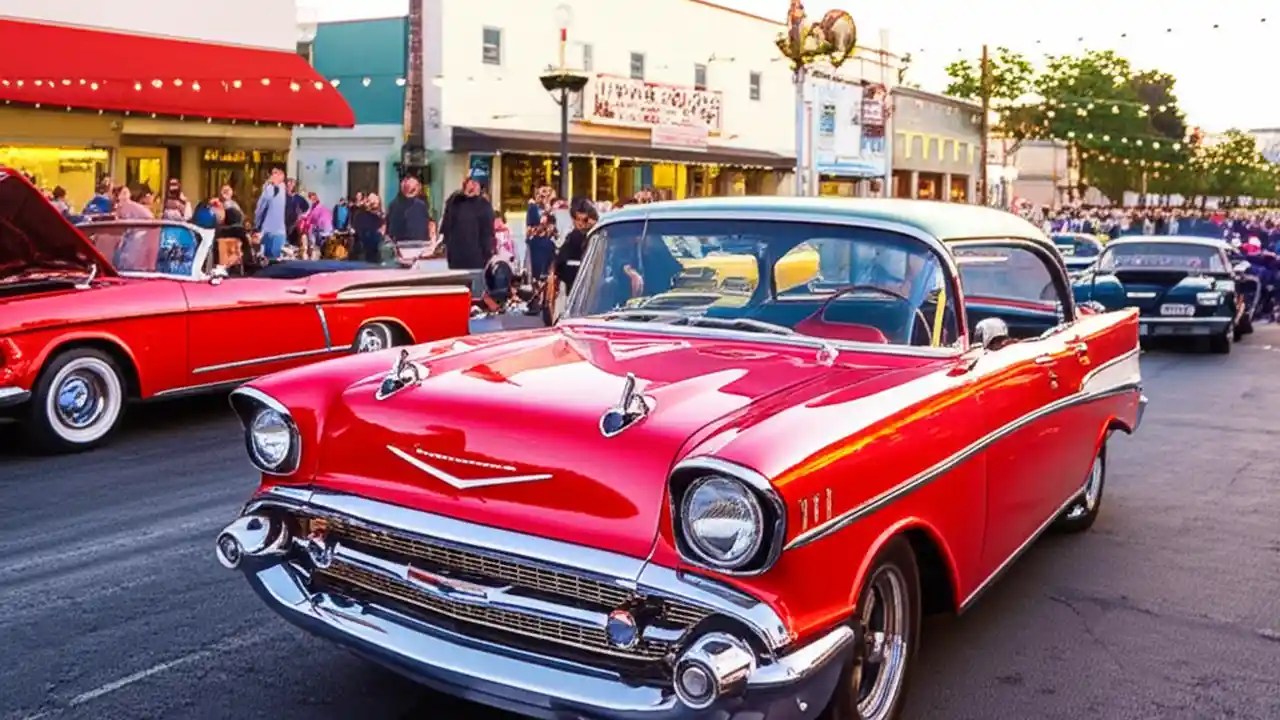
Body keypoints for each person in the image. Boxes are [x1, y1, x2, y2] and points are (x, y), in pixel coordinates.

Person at [439, 173, 495, 270]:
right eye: (469, 181)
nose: (471, 184)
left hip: (476, 260)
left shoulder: (484, 205)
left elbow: (487, 234)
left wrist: (487, 255)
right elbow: (446, 228)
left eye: (475, 182)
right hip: (455, 259)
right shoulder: (454, 202)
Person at [254, 165, 290, 260]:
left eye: (277, 173)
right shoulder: (274, 188)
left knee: (272, 260)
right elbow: (261, 208)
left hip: (274, 232)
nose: (275, 176)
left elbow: (260, 209)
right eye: (273, 173)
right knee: (271, 260)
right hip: (271, 231)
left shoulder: (278, 188)